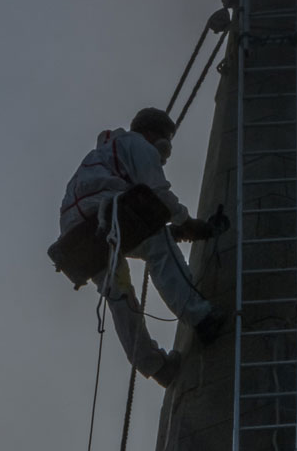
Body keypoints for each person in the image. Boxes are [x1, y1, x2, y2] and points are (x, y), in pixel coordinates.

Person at [49, 107, 227, 386]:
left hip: (81, 235)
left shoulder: (102, 155)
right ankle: (201, 317)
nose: (164, 156)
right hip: (106, 213)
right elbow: (158, 193)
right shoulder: (137, 144)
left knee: (119, 295)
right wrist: (189, 223)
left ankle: (156, 367)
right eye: (165, 145)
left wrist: (178, 228)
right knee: (159, 243)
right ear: (151, 133)